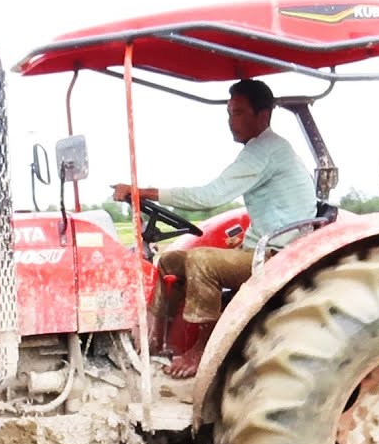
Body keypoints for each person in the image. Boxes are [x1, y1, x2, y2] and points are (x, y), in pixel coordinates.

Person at [111, 78, 317, 379]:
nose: (231, 122)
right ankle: (155, 337)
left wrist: (143, 192)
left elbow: (209, 197)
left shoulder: (266, 150)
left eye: (239, 113)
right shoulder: (262, 149)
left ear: (264, 115)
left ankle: (202, 348)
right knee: (169, 260)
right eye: (229, 113)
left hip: (277, 255)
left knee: (201, 262)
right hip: (262, 245)